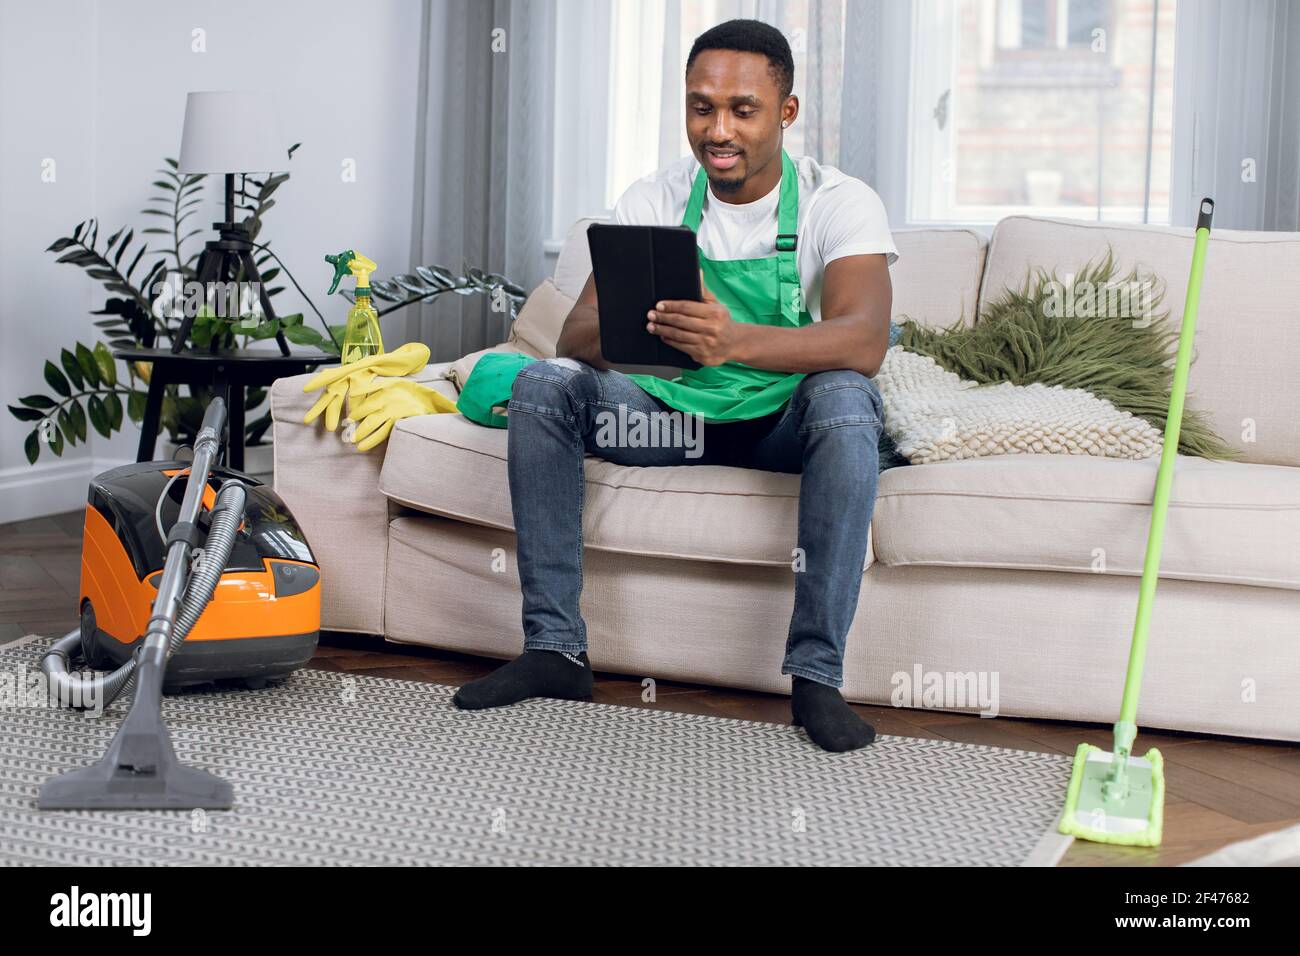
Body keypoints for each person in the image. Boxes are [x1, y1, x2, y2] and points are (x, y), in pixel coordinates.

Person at [453, 18, 900, 752]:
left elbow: (863, 340)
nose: (718, 129)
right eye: (701, 107)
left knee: (847, 399)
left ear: (786, 113)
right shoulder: (655, 198)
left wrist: (735, 341)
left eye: (742, 110)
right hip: (671, 422)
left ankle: (816, 678)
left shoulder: (838, 202)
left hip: (783, 427)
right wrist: (646, 330)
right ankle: (554, 651)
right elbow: (575, 338)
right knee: (542, 385)